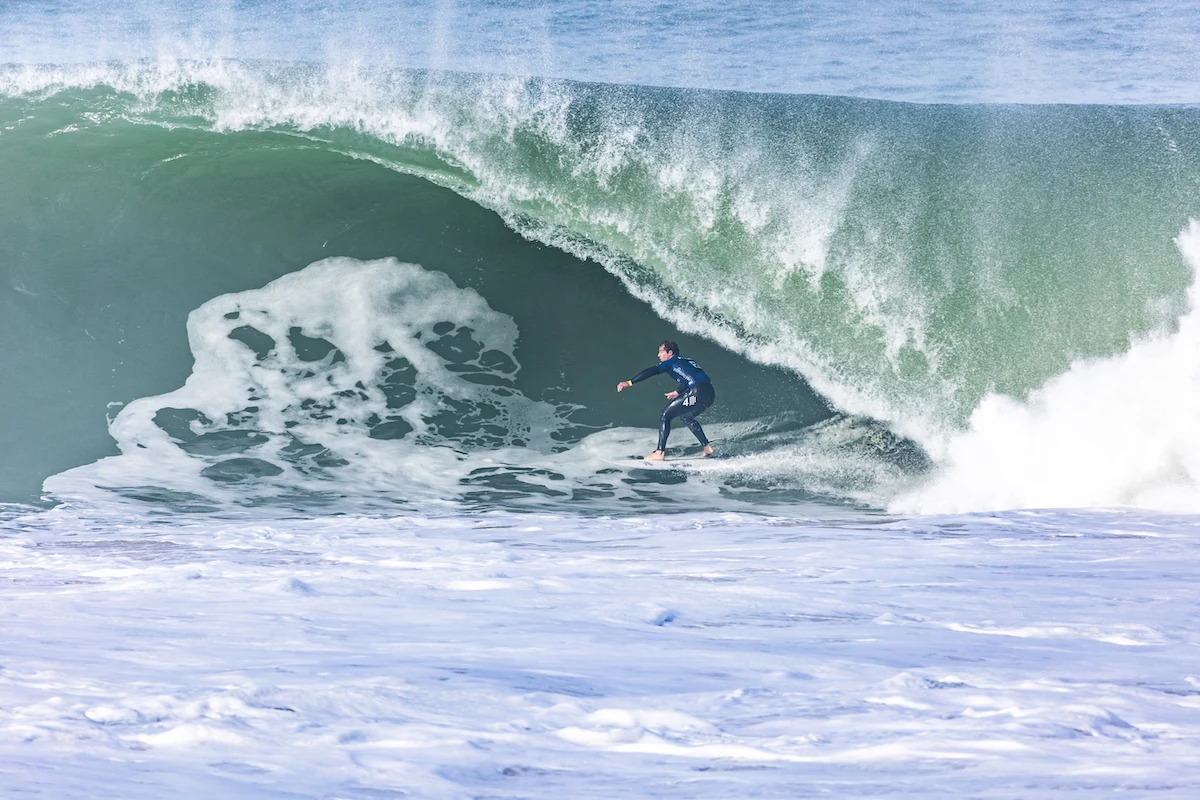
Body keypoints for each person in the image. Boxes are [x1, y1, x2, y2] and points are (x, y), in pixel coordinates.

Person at [616, 340, 716, 460]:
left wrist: (629, 382)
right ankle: (707, 447)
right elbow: (689, 378)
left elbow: (651, 371)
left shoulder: (670, 362)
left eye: (661, 352)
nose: (658, 355)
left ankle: (659, 453)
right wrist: (677, 392)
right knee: (687, 417)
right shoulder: (687, 361)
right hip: (709, 393)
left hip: (696, 392)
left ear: (670, 352)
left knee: (665, 415)